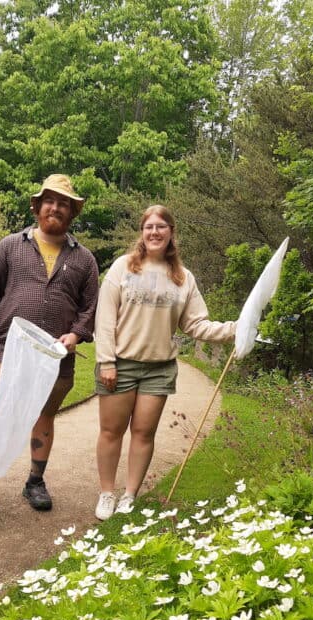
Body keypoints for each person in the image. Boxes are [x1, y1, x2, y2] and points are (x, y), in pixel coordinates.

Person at [0, 174, 99, 515]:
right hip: (2, 350)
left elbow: (90, 308)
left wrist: (75, 336)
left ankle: (35, 481)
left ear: (72, 212)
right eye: (49, 200)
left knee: (44, 416)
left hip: (55, 357)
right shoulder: (8, 247)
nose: (55, 207)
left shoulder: (84, 260)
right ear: (37, 206)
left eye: (64, 203)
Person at [94, 204, 237, 521]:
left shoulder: (183, 279)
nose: (155, 232)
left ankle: (129, 495)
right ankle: (107, 493)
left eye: (161, 226)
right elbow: (104, 319)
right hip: (120, 363)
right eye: (149, 227)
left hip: (159, 369)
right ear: (142, 233)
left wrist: (235, 330)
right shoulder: (122, 268)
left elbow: (196, 325)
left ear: (171, 232)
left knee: (143, 433)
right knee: (111, 432)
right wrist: (106, 361)